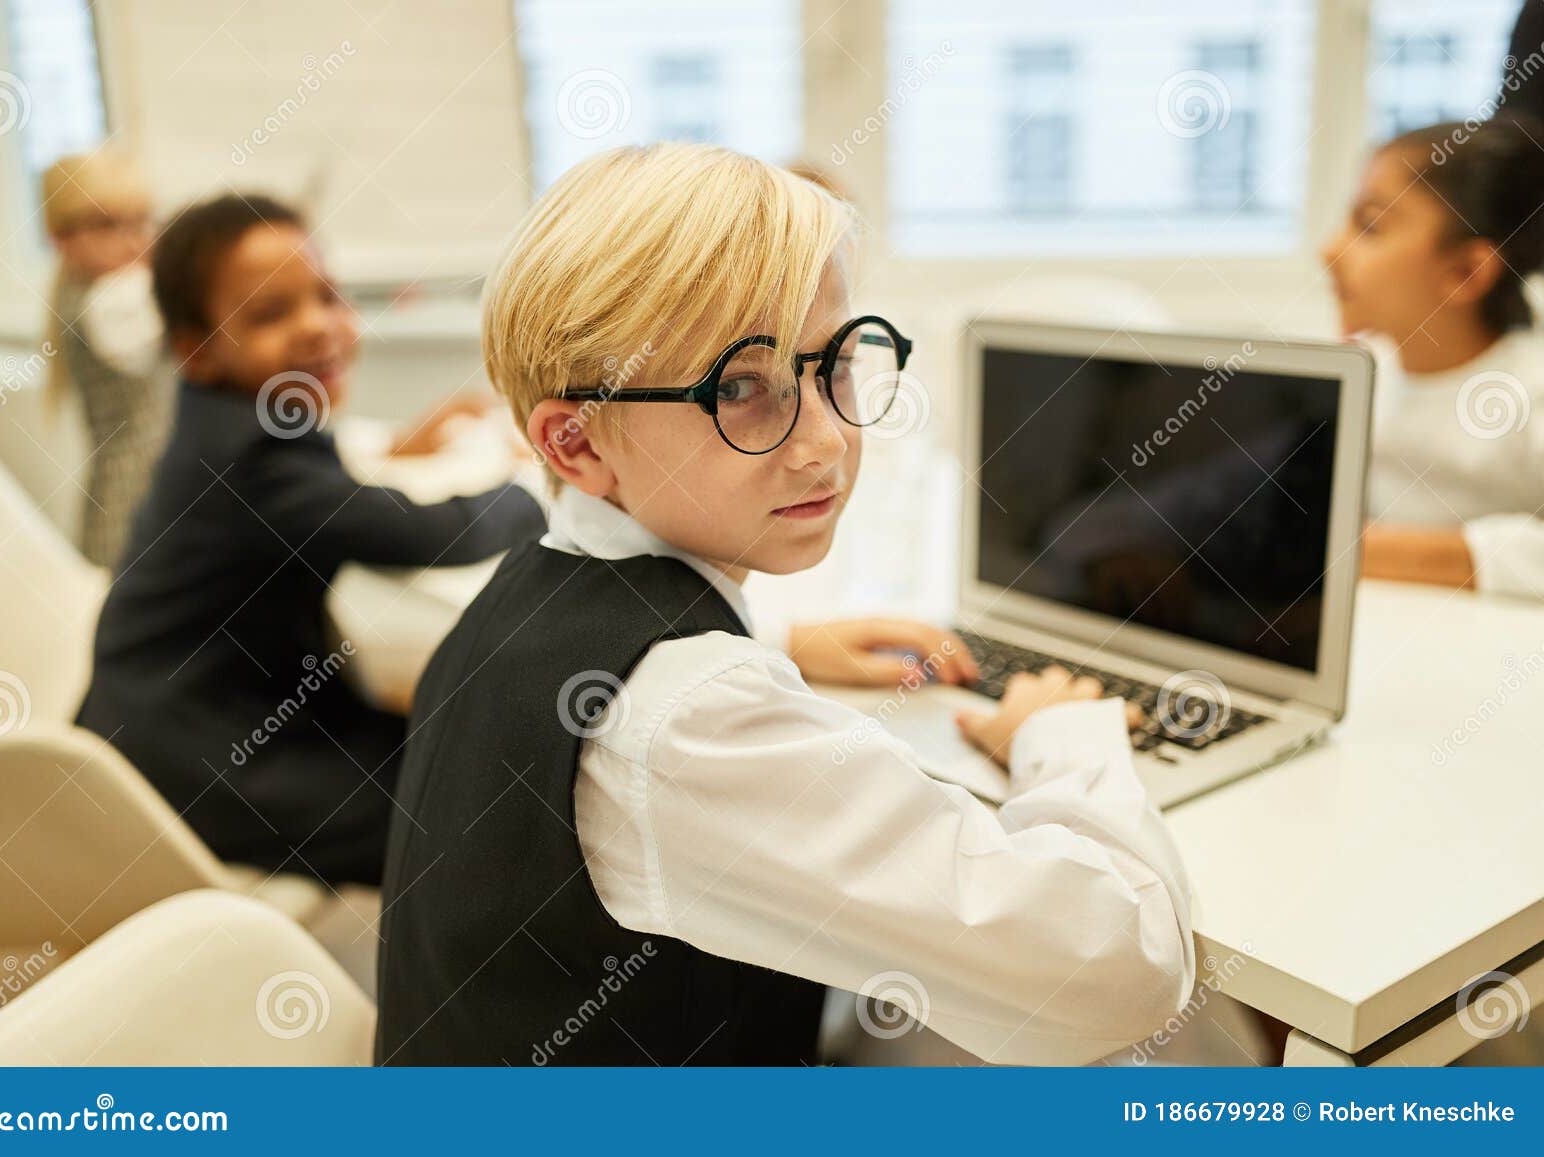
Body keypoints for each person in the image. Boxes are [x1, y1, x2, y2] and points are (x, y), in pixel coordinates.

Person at [375, 143, 1194, 1066]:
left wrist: (785, 648)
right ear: (575, 441)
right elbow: (1124, 969)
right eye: (738, 388)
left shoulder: (527, 592)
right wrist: (1063, 736)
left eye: (837, 364)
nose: (826, 441)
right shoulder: (692, 717)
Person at [76, 193, 545, 885]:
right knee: (476, 814)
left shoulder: (235, 418)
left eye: (328, 296)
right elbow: (440, 534)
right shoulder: (255, 455)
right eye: (270, 313)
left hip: (214, 710)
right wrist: (535, 483)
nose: (318, 327)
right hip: (201, 757)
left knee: (461, 761)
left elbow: (331, 491)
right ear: (195, 352)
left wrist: (403, 444)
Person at [1321, 117, 1544, 596]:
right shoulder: (1364, 366)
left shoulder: (1531, 390)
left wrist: (1370, 551)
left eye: (1371, 226)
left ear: (1465, 272)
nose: (1331, 250)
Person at [41, 151, 172, 568]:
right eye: (107, 225)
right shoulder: (112, 299)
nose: (135, 240)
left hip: (137, 499)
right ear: (60, 237)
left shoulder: (113, 289)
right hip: (135, 504)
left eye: (142, 221)